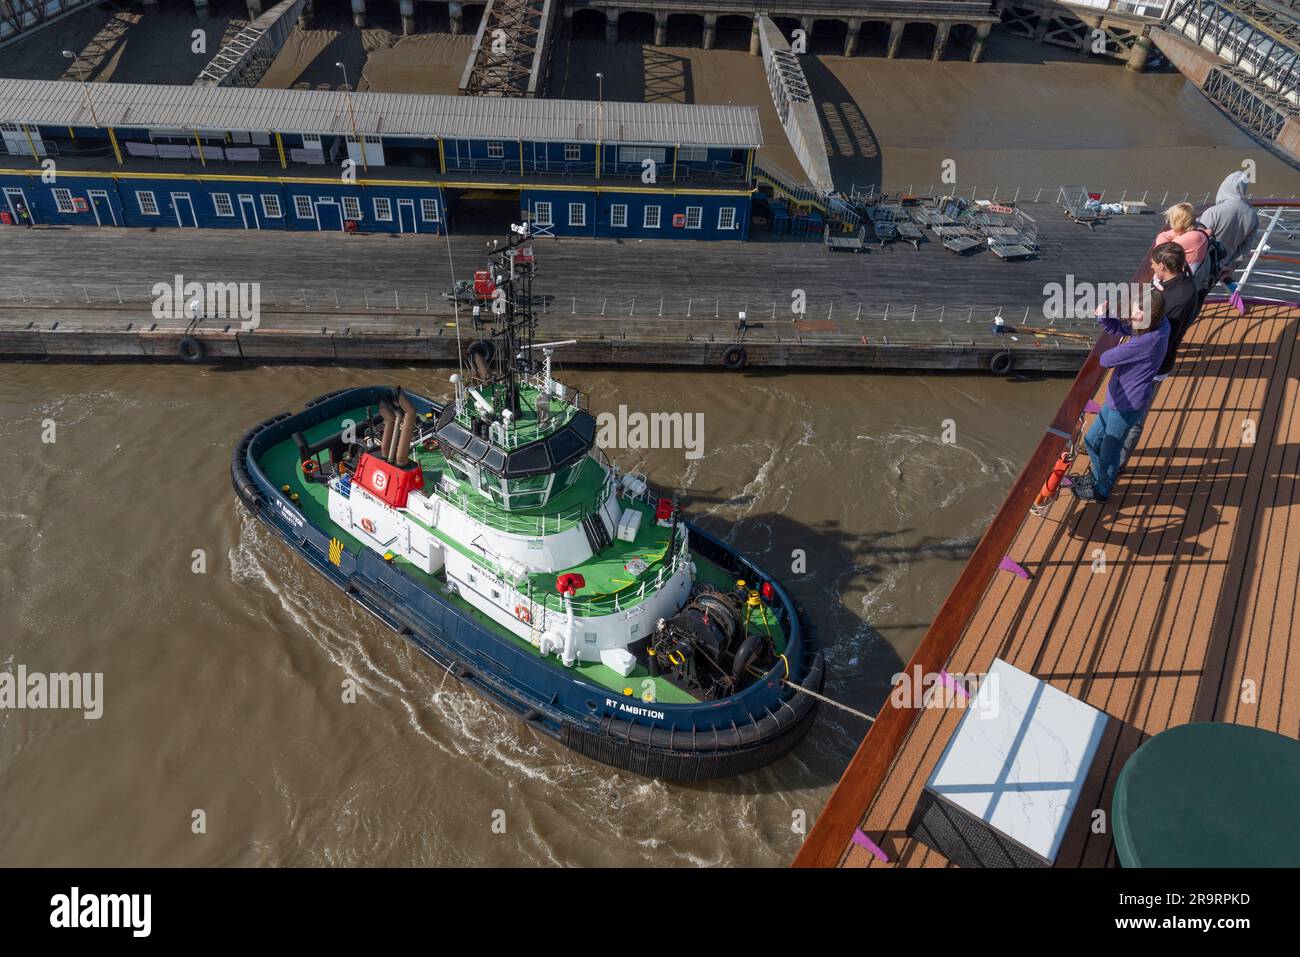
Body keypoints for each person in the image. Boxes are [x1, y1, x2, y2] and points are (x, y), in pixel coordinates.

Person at [1072, 286, 1170, 504]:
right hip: (1118, 399)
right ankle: (1098, 478)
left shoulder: (1147, 341)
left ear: (1148, 316)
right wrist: (1105, 318)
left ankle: (1102, 490)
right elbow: (1124, 329)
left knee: (1110, 451)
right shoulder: (1162, 324)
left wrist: (1114, 321)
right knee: (1091, 440)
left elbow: (1106, 359)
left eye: (1136, 312)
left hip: (1126, 404)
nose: (1131, 315)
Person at [1197, 169, 1260, 268]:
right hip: (1222, 268)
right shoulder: (1253, 216)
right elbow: (1245, 248)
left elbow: (1198, 242)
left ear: (1224, 187)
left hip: (1201, 268)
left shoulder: (1213, 212)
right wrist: (1229, 267)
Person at [1155, 202, 1208, 267]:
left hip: (1183, 276)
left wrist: (1161, 236)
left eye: (1170, 221)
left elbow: (1159, 253)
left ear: (1177, 222)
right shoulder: (1197, 231)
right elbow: (1167, 234)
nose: (1169, 224)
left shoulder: (1190, 238)